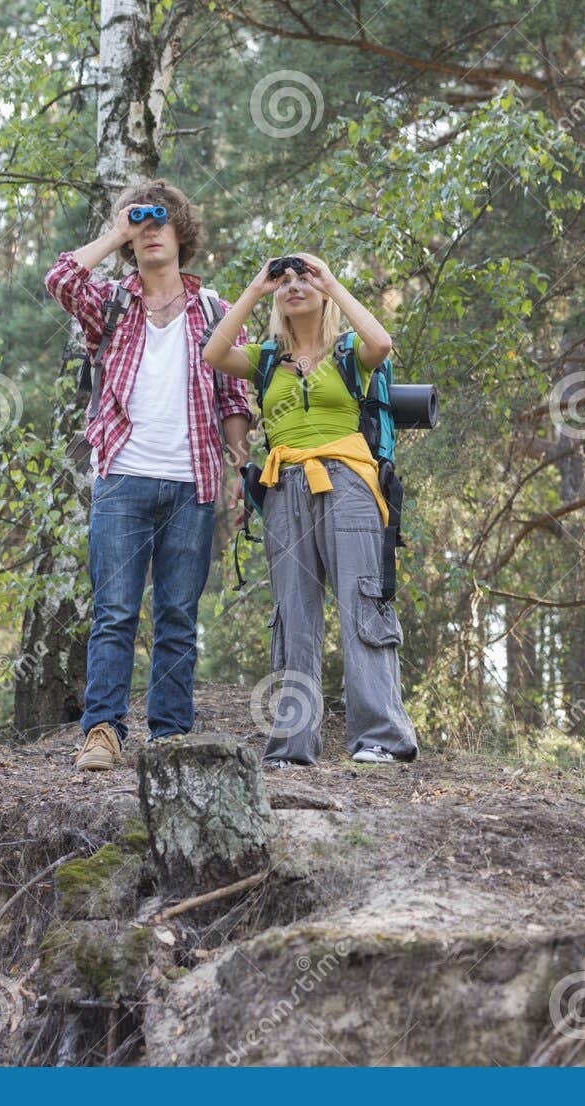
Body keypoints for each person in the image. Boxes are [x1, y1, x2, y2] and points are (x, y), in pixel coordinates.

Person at [44, 180, 251, 771]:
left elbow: (234, 397)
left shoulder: (214, 309)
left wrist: (242, 468)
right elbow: (60, 279)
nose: (151, 228)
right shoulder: (111, 302)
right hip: (123, 479)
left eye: (161, 219)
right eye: (141, 222)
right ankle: (103, 731)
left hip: (194, 485)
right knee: (113, 611)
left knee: (178, 618)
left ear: (182, 232)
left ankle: (169, 738)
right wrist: (118, 231)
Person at [202, 253, 417, 767]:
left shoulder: (348, 353)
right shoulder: (267, 357)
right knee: (292, 617)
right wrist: (257, 287)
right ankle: (292, 746)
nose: (294, 287)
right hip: (283, 487)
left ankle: (380, 739)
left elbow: (382, 343)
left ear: (322, 294)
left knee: (363, 604)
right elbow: (213, 353)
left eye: (304, 280)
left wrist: (333, 282)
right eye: (287, 282)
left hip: (348, 483)